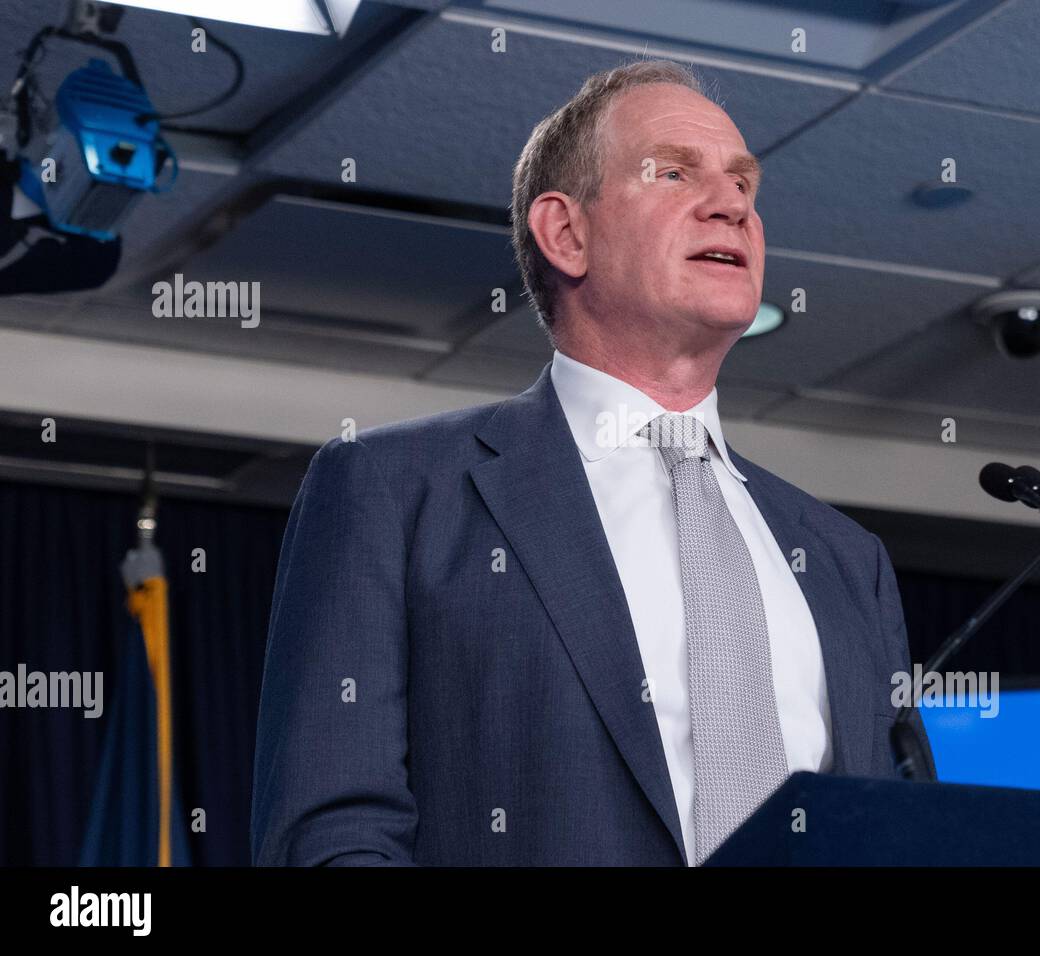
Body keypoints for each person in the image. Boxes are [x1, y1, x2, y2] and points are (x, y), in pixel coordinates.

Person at [251, 58, 930, 867]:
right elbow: (332, 835)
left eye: (745, 185)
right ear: (566, 232)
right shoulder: (393, 491)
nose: (732, 206)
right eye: (675, 172)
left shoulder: (850, 563)